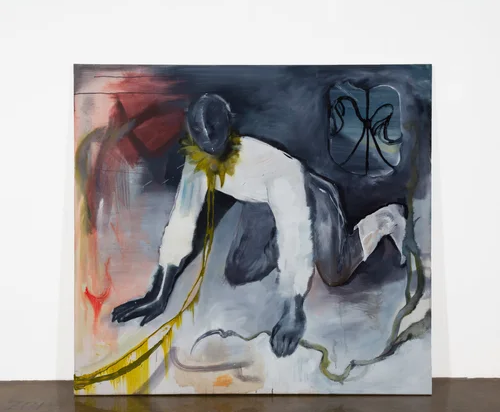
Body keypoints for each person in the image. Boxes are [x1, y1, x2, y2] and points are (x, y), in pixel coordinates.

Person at [112, 94, 406, 357]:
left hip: (309, 197)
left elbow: (295, 229)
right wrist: (159, 294)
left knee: (336, 273)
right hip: (262, 203)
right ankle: (285, 245)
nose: (208, 147)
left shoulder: (275, 166)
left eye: (214, 137)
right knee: (240, 271)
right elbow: (182, 220)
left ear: (228, 128)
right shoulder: (199, 159)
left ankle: (387, 219)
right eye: (201, 139)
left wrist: (293, 312)